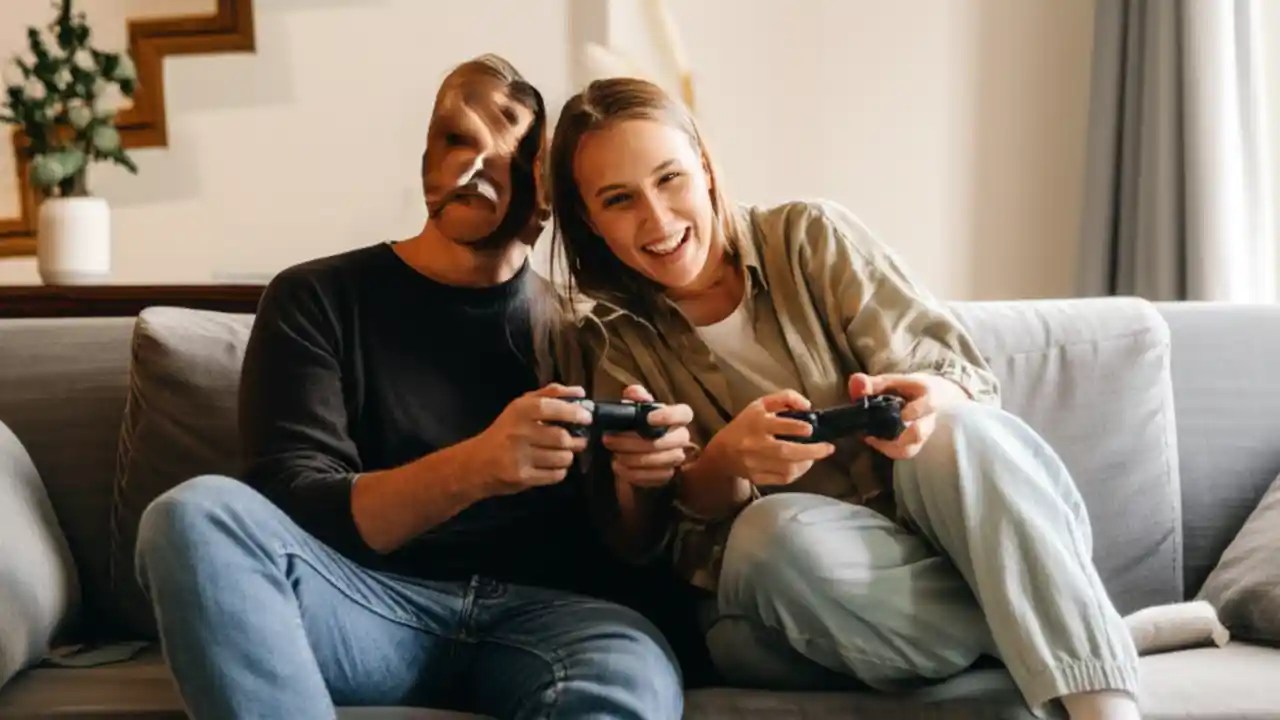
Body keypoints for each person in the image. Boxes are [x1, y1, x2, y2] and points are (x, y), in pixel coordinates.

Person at [546, 76, 1143, 720]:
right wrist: (725, 463)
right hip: (805, 588)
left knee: (957, 429)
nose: (658, 219)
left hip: (927, 542)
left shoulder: (809, 237)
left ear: (706, 167)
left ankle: (1100, 705)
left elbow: (962, 376)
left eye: (670, 179)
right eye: (619, 199)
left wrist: (927, 397)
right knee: (765, 543)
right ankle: (1062, 629)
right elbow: (660, 543)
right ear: (589, 219)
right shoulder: (609, 340)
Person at [133, 57, 689, 720]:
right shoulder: (317, 297)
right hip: (363, 607)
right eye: (454, 139)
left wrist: (644, 482)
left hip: (556, 621)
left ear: (547, 190)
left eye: (506, 150)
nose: (469, 168)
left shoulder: (589, 325)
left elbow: (629, 548)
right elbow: (292, 506)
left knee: (630, 674)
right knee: (193, 516)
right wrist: (476, 467)